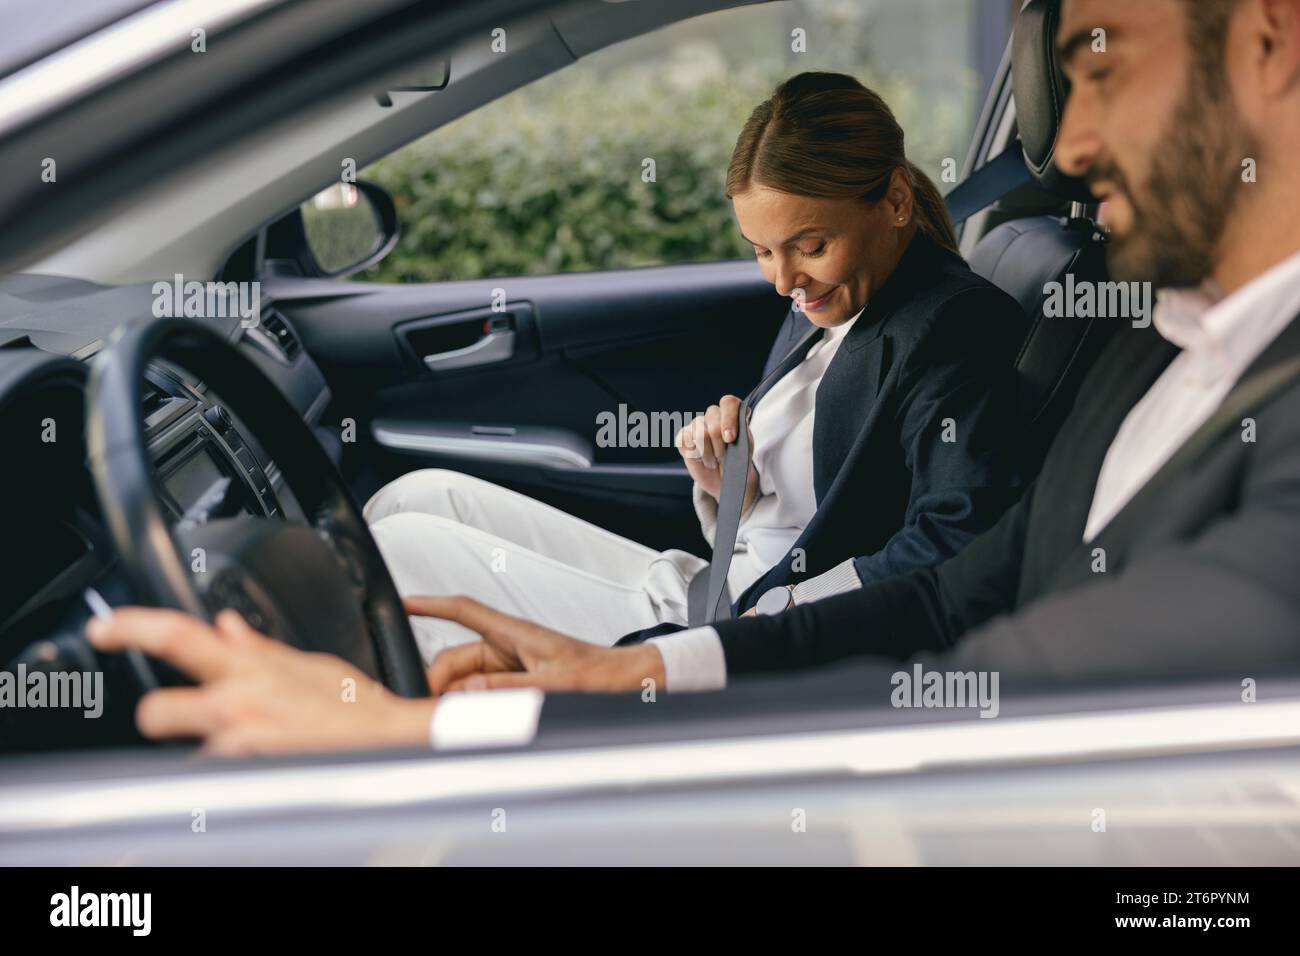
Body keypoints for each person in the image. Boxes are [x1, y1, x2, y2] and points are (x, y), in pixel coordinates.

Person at [90, 0, 1300, 755]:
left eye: (1102, 64)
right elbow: (948, 608)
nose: (1070, 141)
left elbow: (1007, 701)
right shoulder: (1150, 349)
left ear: (1268, 34)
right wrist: (644, 666)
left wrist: (438, 730)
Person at [361, 71, 1025, 662]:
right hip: (706, 582)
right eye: (761, 251)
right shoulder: (831, 297)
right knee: (414, 496)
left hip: (734, 627)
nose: (782, 279)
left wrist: (788, 615)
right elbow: (806, 499)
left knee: (400, 553)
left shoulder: (950, 327)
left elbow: (955, 538)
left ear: (896, 201)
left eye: (809, 246)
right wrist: (728, 489)